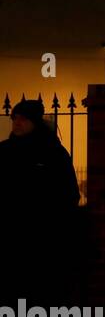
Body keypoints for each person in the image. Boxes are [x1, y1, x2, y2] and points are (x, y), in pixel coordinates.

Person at [0, 99, 81, 305]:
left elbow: (69, 193)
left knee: (41, 293)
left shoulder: (53, 153)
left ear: (35, 122)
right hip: (10, 236)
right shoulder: (4, 152)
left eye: (23, 119)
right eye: (14, 118)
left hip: (43, 238)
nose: (17, 123)